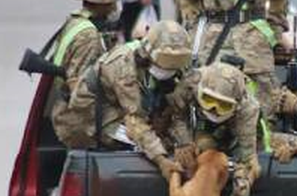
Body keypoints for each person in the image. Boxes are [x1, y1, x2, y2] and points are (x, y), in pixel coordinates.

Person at [53, 21, 193, 181]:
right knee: (143, 144)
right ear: (148, 52)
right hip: (90, 115)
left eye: (177, 62)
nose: (170, 68)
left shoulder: (176, 68)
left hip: (123, 106)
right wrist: (161, 160)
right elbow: (135, 121)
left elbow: (177, 110)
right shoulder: (124, 66)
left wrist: (184, 142)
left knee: (164, 139)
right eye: (166, 60)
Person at [45, 0, 131, 141]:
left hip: (71, 112)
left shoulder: (77, 21)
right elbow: (81, 95)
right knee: (143, 140)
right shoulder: (89, 36)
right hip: (80, 122)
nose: (117, 4)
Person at [185, 61, 263, 196]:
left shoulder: (248, 109)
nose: (214, 109)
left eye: (223, 105)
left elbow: (247, 163)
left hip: (236, 130)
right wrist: (183, 143)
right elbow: (177, 117)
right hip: (200, 127)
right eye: (209, 100)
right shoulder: (190, 83)